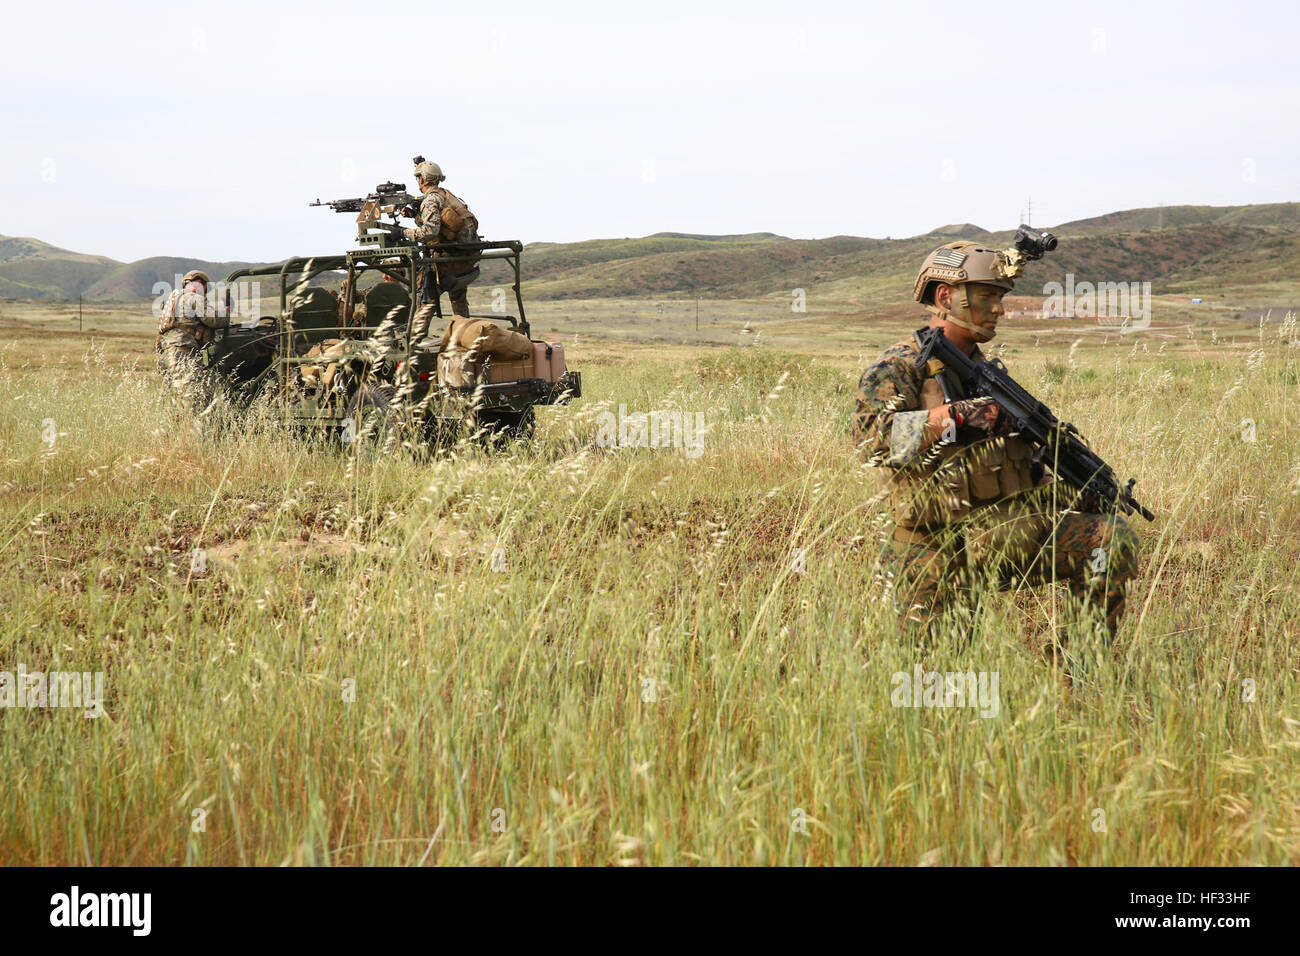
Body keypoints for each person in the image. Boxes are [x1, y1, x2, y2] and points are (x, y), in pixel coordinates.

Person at [852, 241, 1140, 647]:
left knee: (1112, 539)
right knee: (940, 680)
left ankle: (1078, 669)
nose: (1000, 309)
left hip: (1006, 538)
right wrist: (955, 417)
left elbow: (1018, 466)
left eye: (1000, 298)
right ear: (946, 296)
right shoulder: (900, 366)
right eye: (987, 297)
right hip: (934, 549)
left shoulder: (987, 376)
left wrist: (1072, 492)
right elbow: (871, 442)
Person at [404, 159, 480, 334]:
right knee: (459, 299)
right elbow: (443, 224)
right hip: (463, 259)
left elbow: (430, 231)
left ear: (422, 179)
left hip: (446, 260)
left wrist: (404, 233)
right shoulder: (447, 195)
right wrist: (415, 215)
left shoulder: (430, 200)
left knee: (426, 297)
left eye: (418, 178)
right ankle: (464, 335)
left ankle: (413, 341)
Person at [155, 269, 225, 416]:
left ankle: (172, 434)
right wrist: (226, 312)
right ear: (202, 284)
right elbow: (214, 320)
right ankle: (194, 435)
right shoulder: (193, 298)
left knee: (174, 401)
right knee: (196, 400)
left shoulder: (173, 299)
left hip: (167, 355)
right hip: (183, 353)